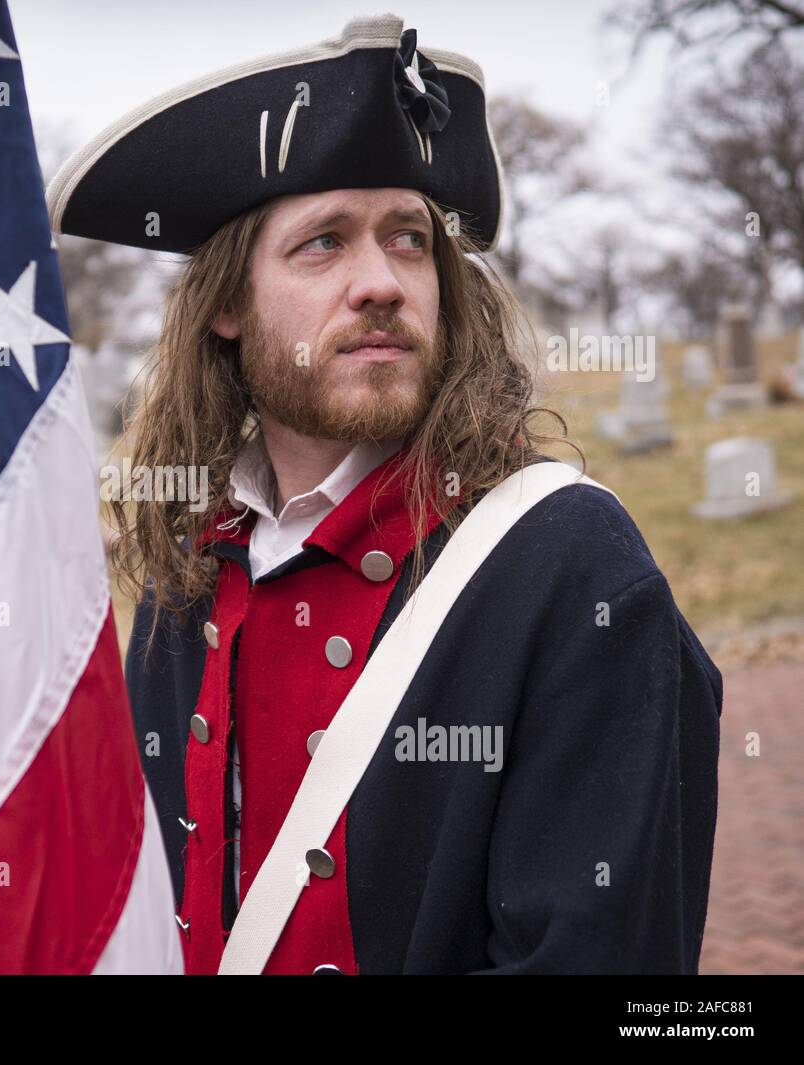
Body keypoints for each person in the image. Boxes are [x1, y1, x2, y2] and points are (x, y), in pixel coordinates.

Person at [46, 14, 721, 974]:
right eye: (323, 244)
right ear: (228, 306)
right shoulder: (185, 570)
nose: (381, 283)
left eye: (409, 240)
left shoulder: (571, 564)